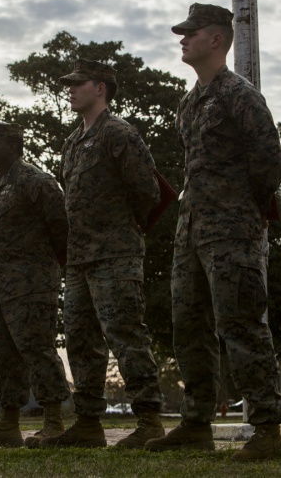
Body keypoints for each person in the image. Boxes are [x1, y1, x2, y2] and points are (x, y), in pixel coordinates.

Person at [145, 4, 281, 459]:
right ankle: (196, 421)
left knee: (240, 322)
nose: (182, 39)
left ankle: (267, 429)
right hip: (193, 231)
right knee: (188, 326)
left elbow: (268, 161)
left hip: (233, 229)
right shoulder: (189, 103)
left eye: (191, 32)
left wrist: (245, 210)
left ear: (217, 40)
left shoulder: (238, 95)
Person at [41, 59, 164, 449]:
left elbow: (147, 191)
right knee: (79, 339)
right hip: (79, 259)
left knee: (125, 334)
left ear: (100, 88)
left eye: (78, 83)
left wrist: (118, 229)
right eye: (69, 84)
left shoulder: (119, 134)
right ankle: (88, 423)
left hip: (115, 254)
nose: (70, 89)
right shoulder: (72, 142)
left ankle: (150, 420)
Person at [0, 122, 71, 449]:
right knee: (4, 356)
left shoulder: (35, 182)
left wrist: (48, 271)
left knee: (37, 350)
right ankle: (8, 424)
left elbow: (61, 230)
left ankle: (54, 421)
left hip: (33, 283)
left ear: (11, 145)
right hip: (0, 287)